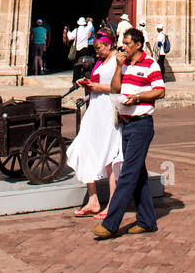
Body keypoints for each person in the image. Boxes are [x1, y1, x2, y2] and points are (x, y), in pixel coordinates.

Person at [93, 28, 165, 239]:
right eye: (122, 43)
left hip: (141, 125)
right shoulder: (123, 64)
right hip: (125, 123)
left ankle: (111, 223)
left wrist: (139, 97)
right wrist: (117, 67)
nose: (123, 47)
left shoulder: (150, 64)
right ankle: (147, 220)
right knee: (138, 174)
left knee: (128, 174)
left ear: (138, 45)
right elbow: (115, 89)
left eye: (126, 43)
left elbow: (160, 91)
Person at [67, 30, 123, 219]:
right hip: (95, 110)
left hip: (109, 111)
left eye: (99, 47)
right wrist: (88, 85)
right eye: (96, 47)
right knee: (85, 148)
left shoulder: (119, 60)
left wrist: (97, 87)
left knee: (109, 154)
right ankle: (93, 200)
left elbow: (121, 86)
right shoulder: (101, 61)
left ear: (108, 45)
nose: (97, 51)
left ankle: (113, 203)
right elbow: (97, 82)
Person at [66, 17, 93, 84]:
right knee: (86, 64)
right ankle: (85, 78)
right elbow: (90, 25)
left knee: (76, 65)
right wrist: (88, 21)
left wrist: (68, 31)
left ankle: (75, 79)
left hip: (78, 49)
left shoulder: (76, 30)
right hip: (85, 49)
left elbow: (70, 37)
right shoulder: (87, 29)